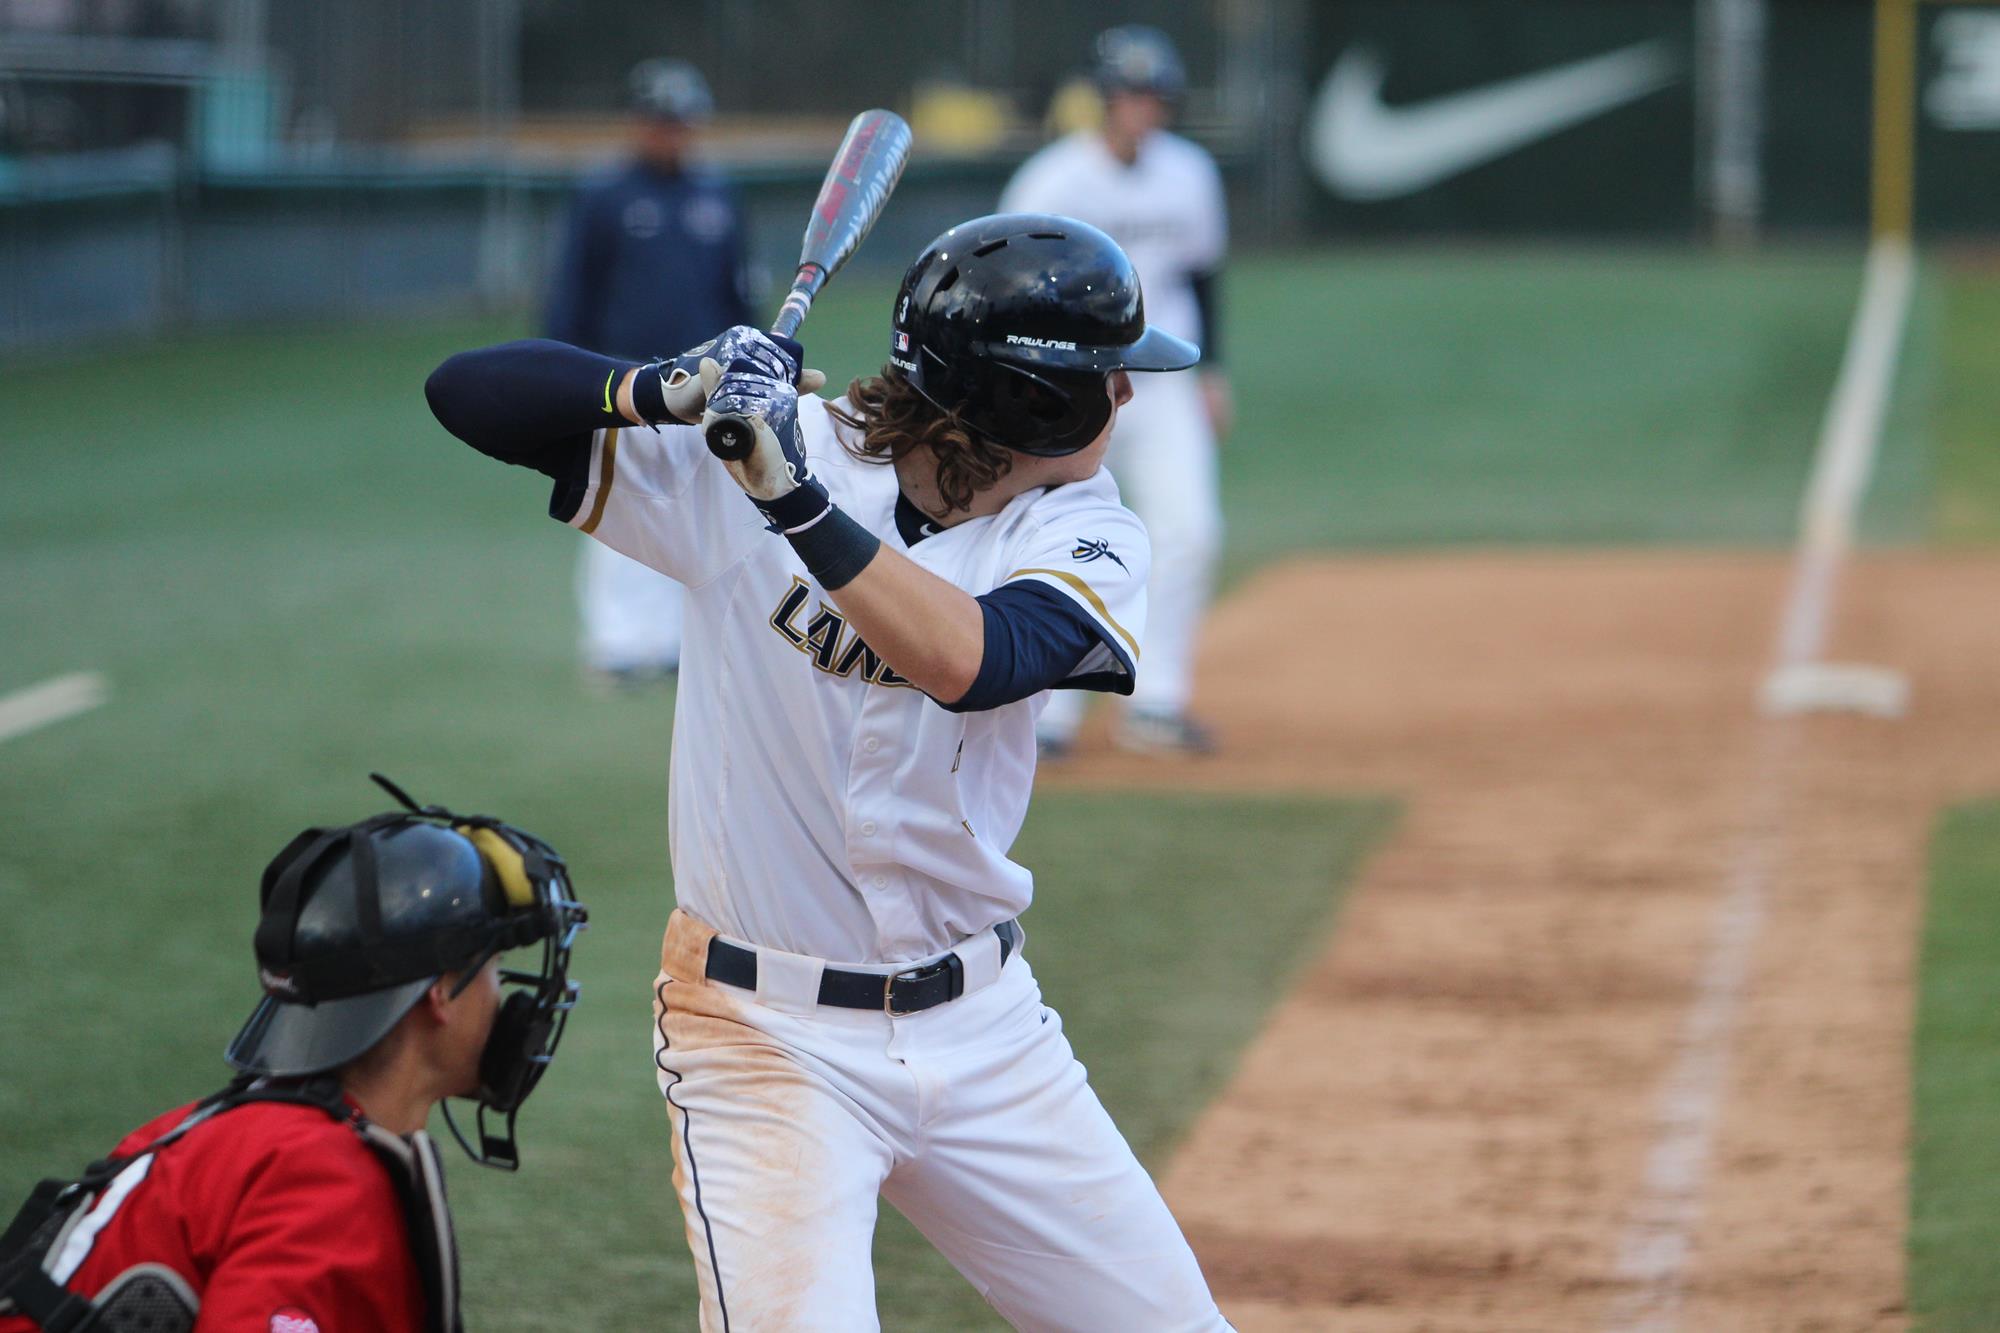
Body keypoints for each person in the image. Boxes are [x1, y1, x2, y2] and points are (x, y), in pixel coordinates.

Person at [422, 212, 1234, 1329]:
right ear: (1029, 399)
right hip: (764, 1043)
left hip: (987, 1033)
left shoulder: (1084, 529)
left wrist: (790, 504)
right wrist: (661, 387)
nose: (1128, 395)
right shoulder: (762, 452)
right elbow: (465, 393)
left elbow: (974, 660)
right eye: (1107, 375)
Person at [0, 777, 587, 1333]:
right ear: (440, 992)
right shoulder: (322, 1179)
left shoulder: (232, 1132)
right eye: (490, 971)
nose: (502, 997)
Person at [1001, 25, 1231, 757]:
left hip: (1164, 381)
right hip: (1073, 385)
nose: (1144, 106)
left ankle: (1157, 703)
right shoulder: (1052, 180)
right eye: (1132, 93)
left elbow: (1203, 275)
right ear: (1104, 98)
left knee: (1189, 530)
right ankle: (1051, 718)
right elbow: (1008, 281)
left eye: (1154, 93)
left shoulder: (1190, 172)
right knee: (1059, 536)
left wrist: (1217, 372)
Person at [546, 57, 753, 686]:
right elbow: (570, 293)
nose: (671, 133)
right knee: (617, 498)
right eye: (661, 121)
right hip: (621, 382)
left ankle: (670, 642)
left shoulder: (717, 196)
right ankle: (616, 642)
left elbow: (739, 295)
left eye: (681, 122)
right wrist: (567, 378)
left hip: (702, 383)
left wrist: (744, 365)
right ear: (638, 123)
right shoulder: (603, 196)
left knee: (694, 502)